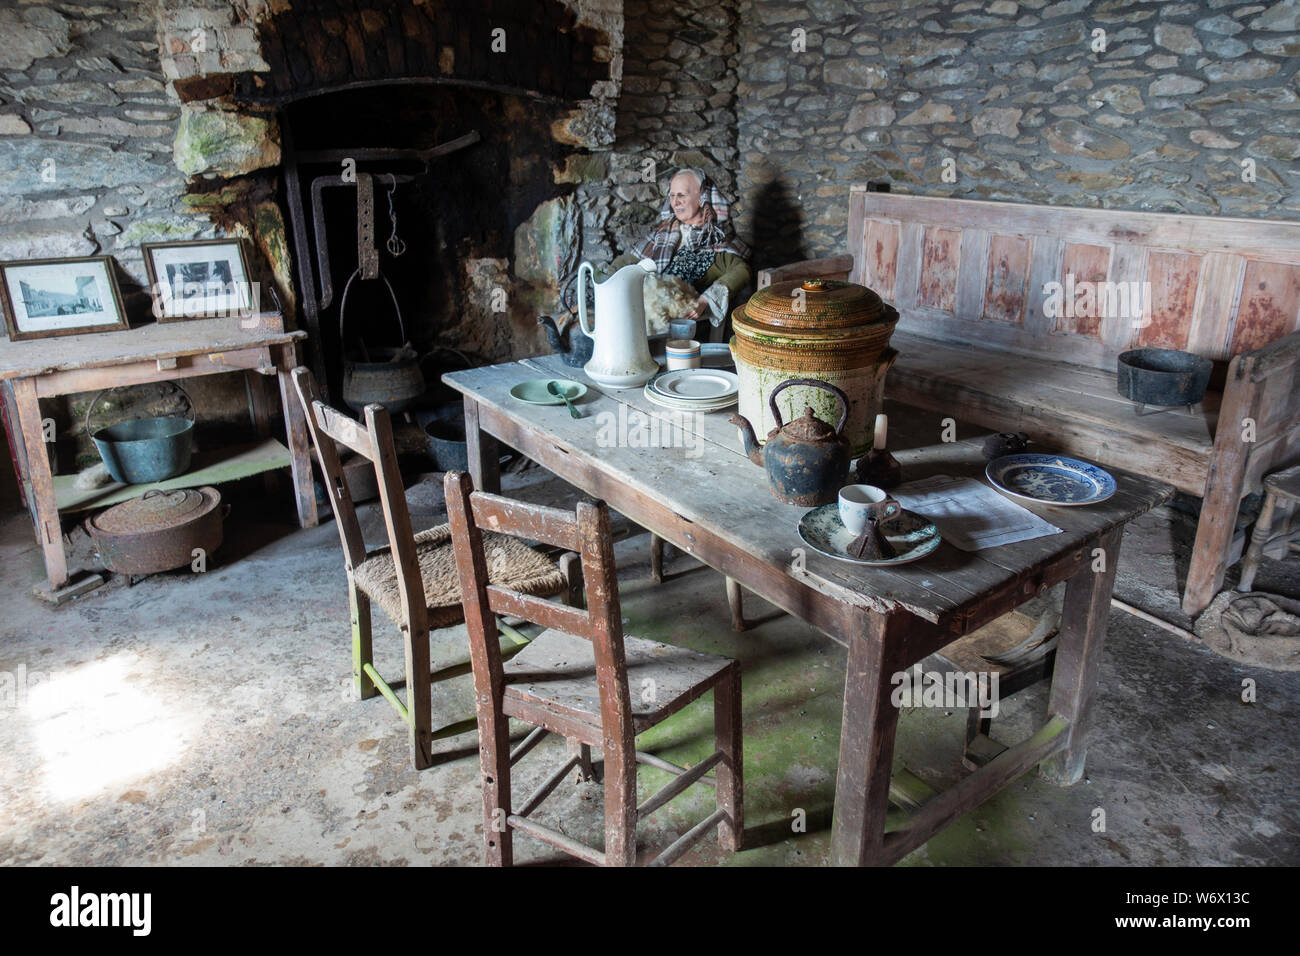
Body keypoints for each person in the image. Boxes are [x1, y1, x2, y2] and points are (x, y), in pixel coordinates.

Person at [606, 168, 752, 327]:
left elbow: (742, 270)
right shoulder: (664, 233)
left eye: (681, 195)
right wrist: (607, 285)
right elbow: (626, 261)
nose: (675, 203)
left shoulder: (715, 238)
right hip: (640, 309)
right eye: (672, 196)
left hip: (676, 324)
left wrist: (705, 300)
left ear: (702, 198)